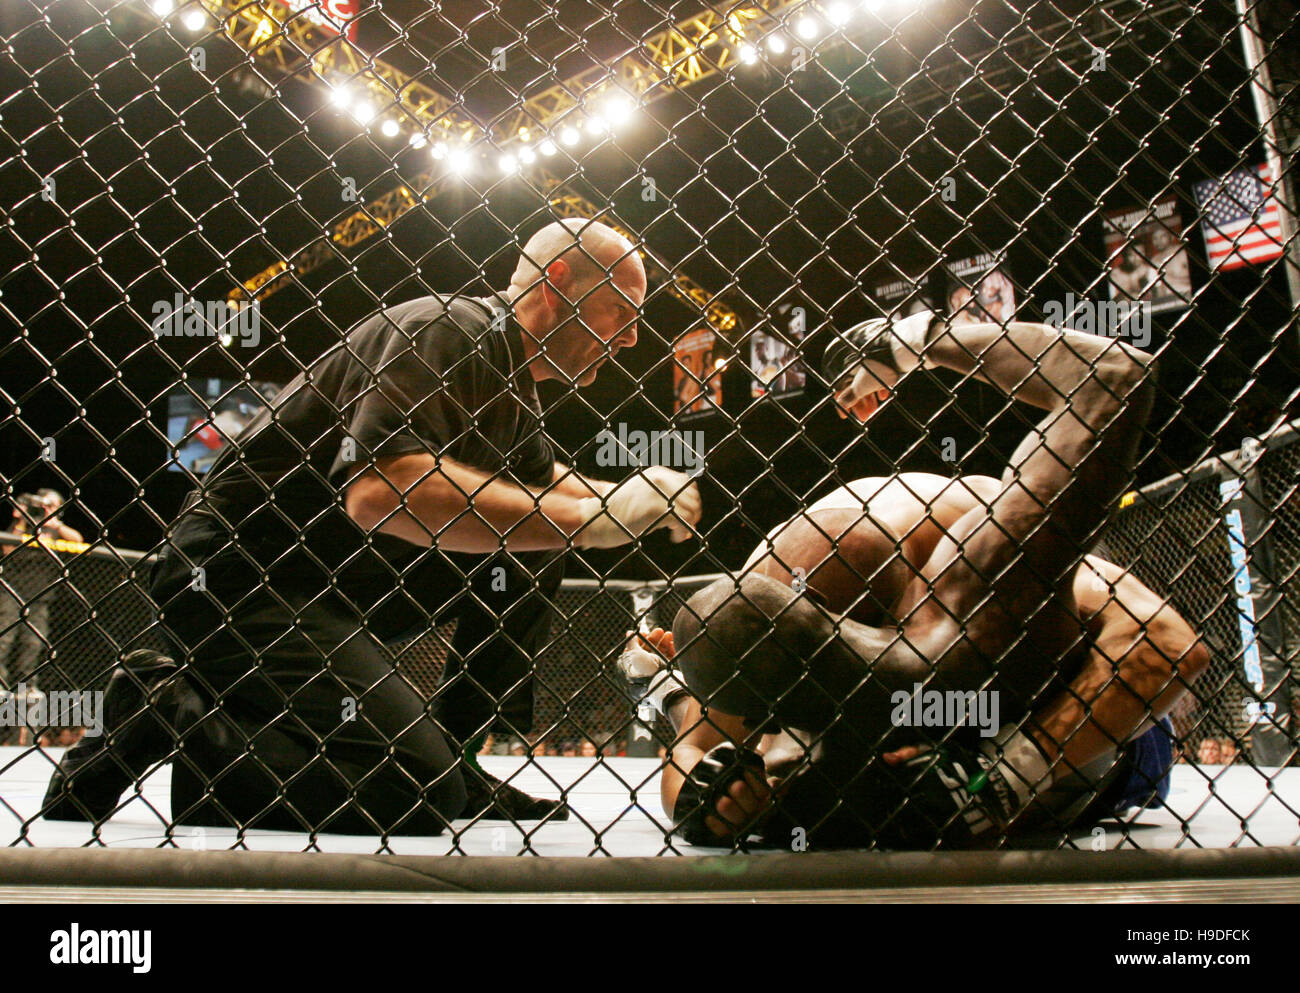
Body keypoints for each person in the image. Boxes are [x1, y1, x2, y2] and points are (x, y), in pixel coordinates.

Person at [44, 218, 702, 835]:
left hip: (325, 585)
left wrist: (636, 493)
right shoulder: (446, 330)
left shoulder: (510, 387)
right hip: (236, 579)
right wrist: (591, 518)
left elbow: (544, 485)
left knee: (533, 541)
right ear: (558, 281)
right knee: (414, 793)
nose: (633, 337)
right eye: (623, 308)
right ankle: (175, 711)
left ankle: (457, 756)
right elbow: (380, 490)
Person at [652, 310, 1208, 847]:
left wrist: (1009, 776)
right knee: (807, 776)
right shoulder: (762, 595)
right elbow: (696, 749)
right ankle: (669, 690)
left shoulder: (992, 539)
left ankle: (663, 683)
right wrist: (708, 800)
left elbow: (1168, 647)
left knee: (918, 781)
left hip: (1076, 724)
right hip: (885, 718)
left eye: (876, 619)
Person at [0, 490, 82, 694]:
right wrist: (21, 519)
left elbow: (78, 541)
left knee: (33, 643)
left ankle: (26, 687)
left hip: (40, 595)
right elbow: (7, 550)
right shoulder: (25, 524)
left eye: (51, 506)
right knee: (4, 639)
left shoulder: (55, 531)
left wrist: (55, 523)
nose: (44, 509)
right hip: (11, 590)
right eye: (44, 505)